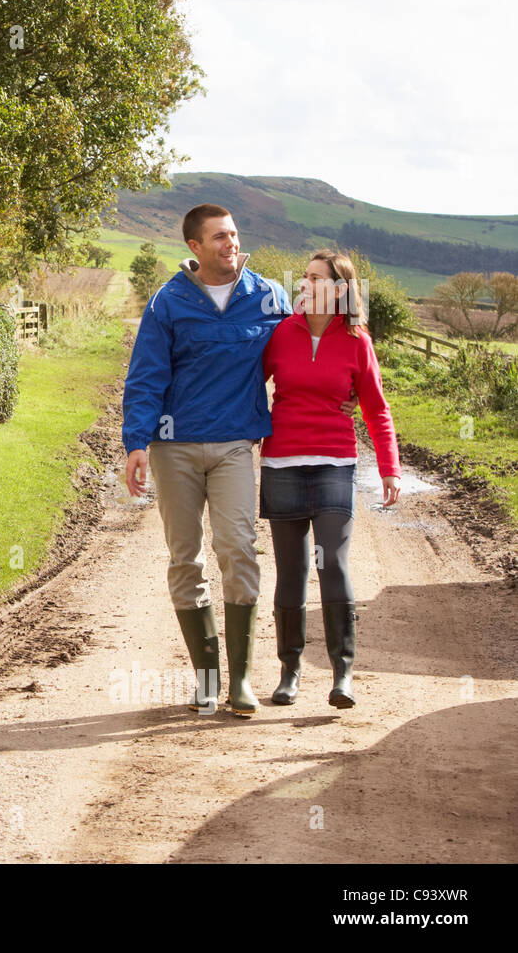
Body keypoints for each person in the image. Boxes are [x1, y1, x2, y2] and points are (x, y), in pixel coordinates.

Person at [122, 204, 292, 717]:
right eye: (219, 236)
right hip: (174, 448)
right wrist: (136, 442)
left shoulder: (267, 296)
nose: (230, 243)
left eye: (234, 234)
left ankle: (240, 680)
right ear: (195, 246)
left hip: (236, 444)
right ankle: (207, 679)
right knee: (184, 557)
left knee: (238, 547)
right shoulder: (167, 303)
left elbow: (301, 352)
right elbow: (146, 376)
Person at [261, 250, 401, 709]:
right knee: (291, 571)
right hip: (281, 463)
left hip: (334, 464)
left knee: (333, 565)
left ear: (338, 290)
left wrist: (390, 468)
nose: (303, 284)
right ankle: (291, 672)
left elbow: (377, 407)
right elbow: (244, 387)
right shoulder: (281, 332)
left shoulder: (357, 341)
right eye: (302, 277)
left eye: (314, 278)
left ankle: (343, 675)